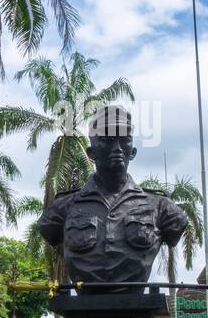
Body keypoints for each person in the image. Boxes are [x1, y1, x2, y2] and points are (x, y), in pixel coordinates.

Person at [37, 105, 187, 288]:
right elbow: (48, 229)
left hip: (135, 303)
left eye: (124, 140)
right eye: (107, 140)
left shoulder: (162, 208)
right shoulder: (63, 208)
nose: (117, 148)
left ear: (132, 152)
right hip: (83, 304)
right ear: (91, 153)